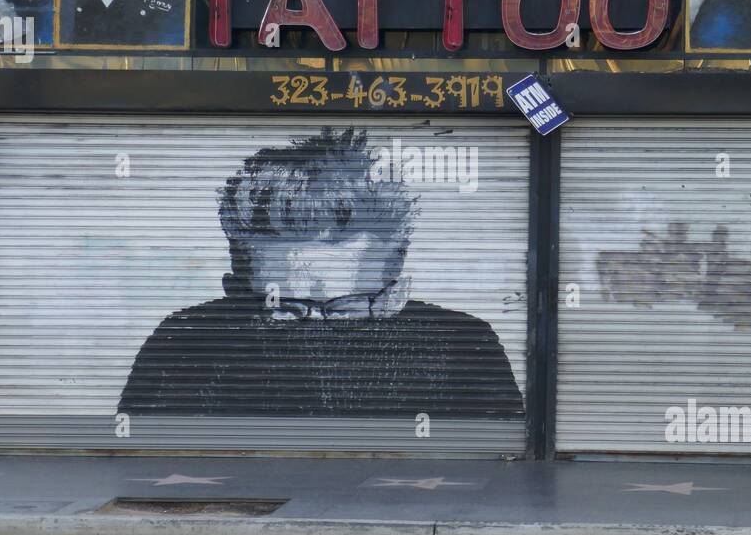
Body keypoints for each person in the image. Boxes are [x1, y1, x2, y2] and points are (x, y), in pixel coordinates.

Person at [118, 128, 525, 419]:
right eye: (284, 308)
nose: (315, 333)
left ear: (397, 293)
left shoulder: (463, 348)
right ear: (234, 293)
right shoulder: (185, 345)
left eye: (345, 309)